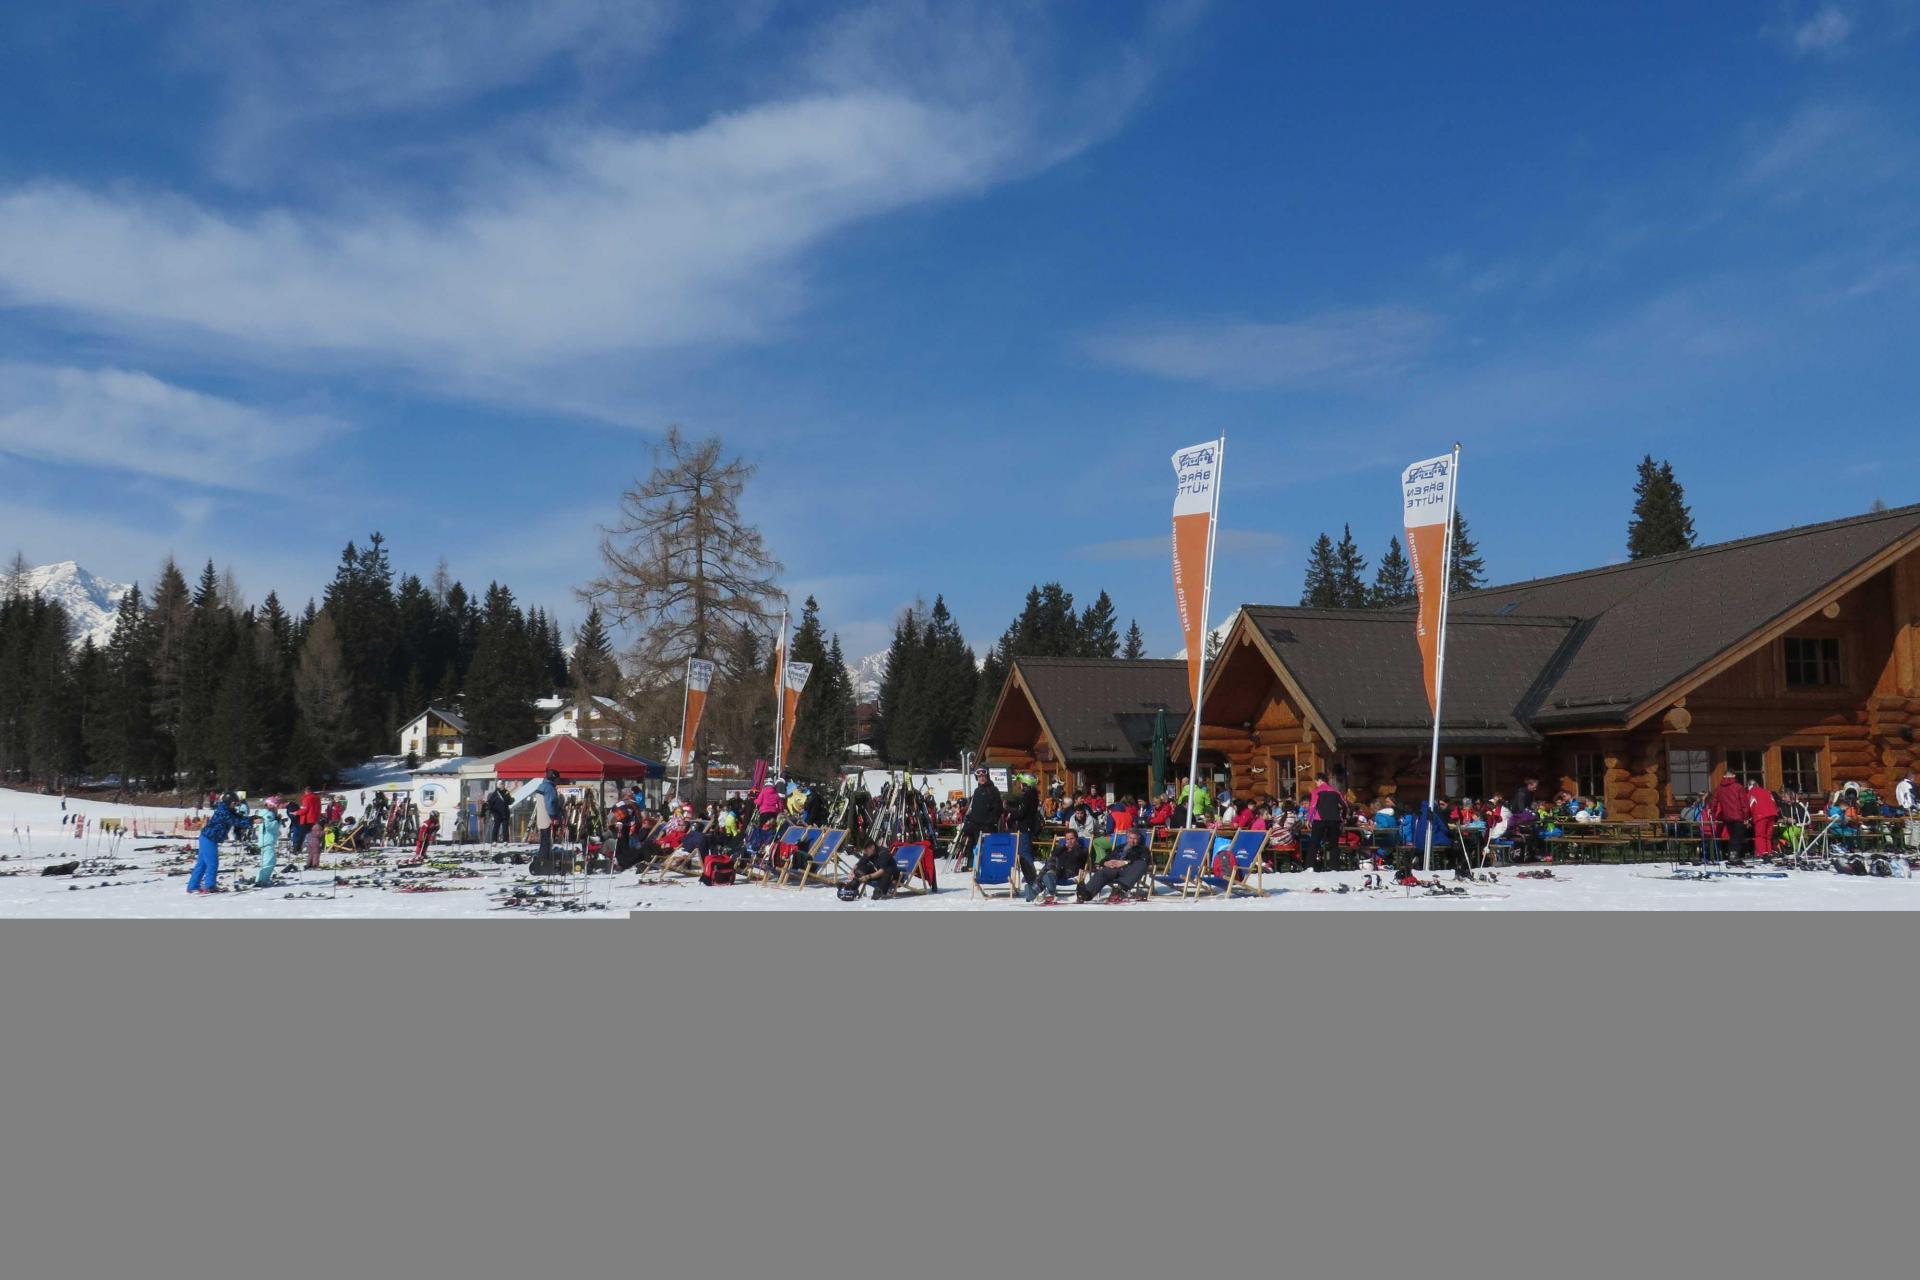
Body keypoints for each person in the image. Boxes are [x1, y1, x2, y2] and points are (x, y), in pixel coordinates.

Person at [190, 792, 250, 896]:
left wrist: (251, 819)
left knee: (202, 864)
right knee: (212, 863)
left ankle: (193, 886)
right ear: (229, 802)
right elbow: (235, 821)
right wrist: (251, 822)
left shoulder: (227, 810)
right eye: (234, 803)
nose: (235, 805)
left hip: (207, 837)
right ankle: (209, 886)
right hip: (209, 838)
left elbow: (238, 818)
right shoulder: (224, 812)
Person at [1078, 829, 1153, 904]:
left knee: (1141, 864)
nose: (1132, 841)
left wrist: (1125, 862)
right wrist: (1105, 863)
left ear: (1139, 839)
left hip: (1129, 871)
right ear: (1127, 838)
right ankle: (1086, 894)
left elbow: (1145, 859)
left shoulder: (1143, 849)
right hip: (1114, 869)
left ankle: (1119, 890)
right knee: (1103, 872)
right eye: (1130, 838)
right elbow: (1105, 859)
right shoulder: (1119, 848)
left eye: (1135, 839)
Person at [1025, 830, 1090, 904]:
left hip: (1070, 873)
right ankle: (1049, 879)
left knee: (1052, 864)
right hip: (1057, 872)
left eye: (1072, 839)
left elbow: (1080, 855)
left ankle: (1035, 889)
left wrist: (1074, 847)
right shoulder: (1063, 849)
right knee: (1052, 860)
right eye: (1067, 839)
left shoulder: (1083, 849)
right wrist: (1064, 847)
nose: (1070, 841)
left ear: (1077, 839)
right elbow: (1053, 854)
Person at [958, 768, 1004, 872]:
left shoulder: (993, 790)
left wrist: (991, 821)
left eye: (983, 776)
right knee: (976, 848)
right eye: (979, 777)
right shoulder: (977, 791)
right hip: (976, 826)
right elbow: (974, 809)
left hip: (988, 826)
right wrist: (970, 819)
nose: (982, 778)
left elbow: (998, 809)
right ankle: (974, 866)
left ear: (987, 777)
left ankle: (989, 868)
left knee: (988, 848)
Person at [1710, 771, 1753, 863]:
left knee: (1733, 836)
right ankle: (1734, 856)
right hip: (1739, 816)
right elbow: (1744, 803)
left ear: (1724, 775)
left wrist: (1713, 814)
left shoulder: (1719, 788)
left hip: (1727, 816)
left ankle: (1732, 855)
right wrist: (1746, 817)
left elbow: (1714, 802)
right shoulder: (1738, 787)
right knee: (1738, 837)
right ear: (1734, 775)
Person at [1307, 775, 1345, 873]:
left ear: (1320, 780)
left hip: (1320, 819)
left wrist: (1309, 819)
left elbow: (1313, 806)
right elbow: (1345, 806)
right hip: (1335, 819)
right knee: (1334, 844)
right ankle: (1335, 867)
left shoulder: (1317, 791)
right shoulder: (1336, 791)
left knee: (1314, 842)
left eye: (1316, 782)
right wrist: (1343, 818)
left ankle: (1310, 866)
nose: (1316, 784)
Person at [253, 799, 284, 888]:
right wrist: (277, 821)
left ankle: (263, 879)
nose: (276, 808)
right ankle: (261, 880)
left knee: (268, 861)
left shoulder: (262, 813)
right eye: (275, 806)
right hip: (267, 840)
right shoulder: (268, 814)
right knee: (269, 861)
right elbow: (268, 825)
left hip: (265, 840)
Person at [1749, 779, 1780, 860]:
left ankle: (1761, 853)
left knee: (1760, 835)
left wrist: (1748, 818)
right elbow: (1773, 802)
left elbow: (1750, 806)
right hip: (1772, 814)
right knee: (1768, 836)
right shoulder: (1767, 791)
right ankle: (1769, 852)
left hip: (1761, 815)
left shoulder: (1752, 792)